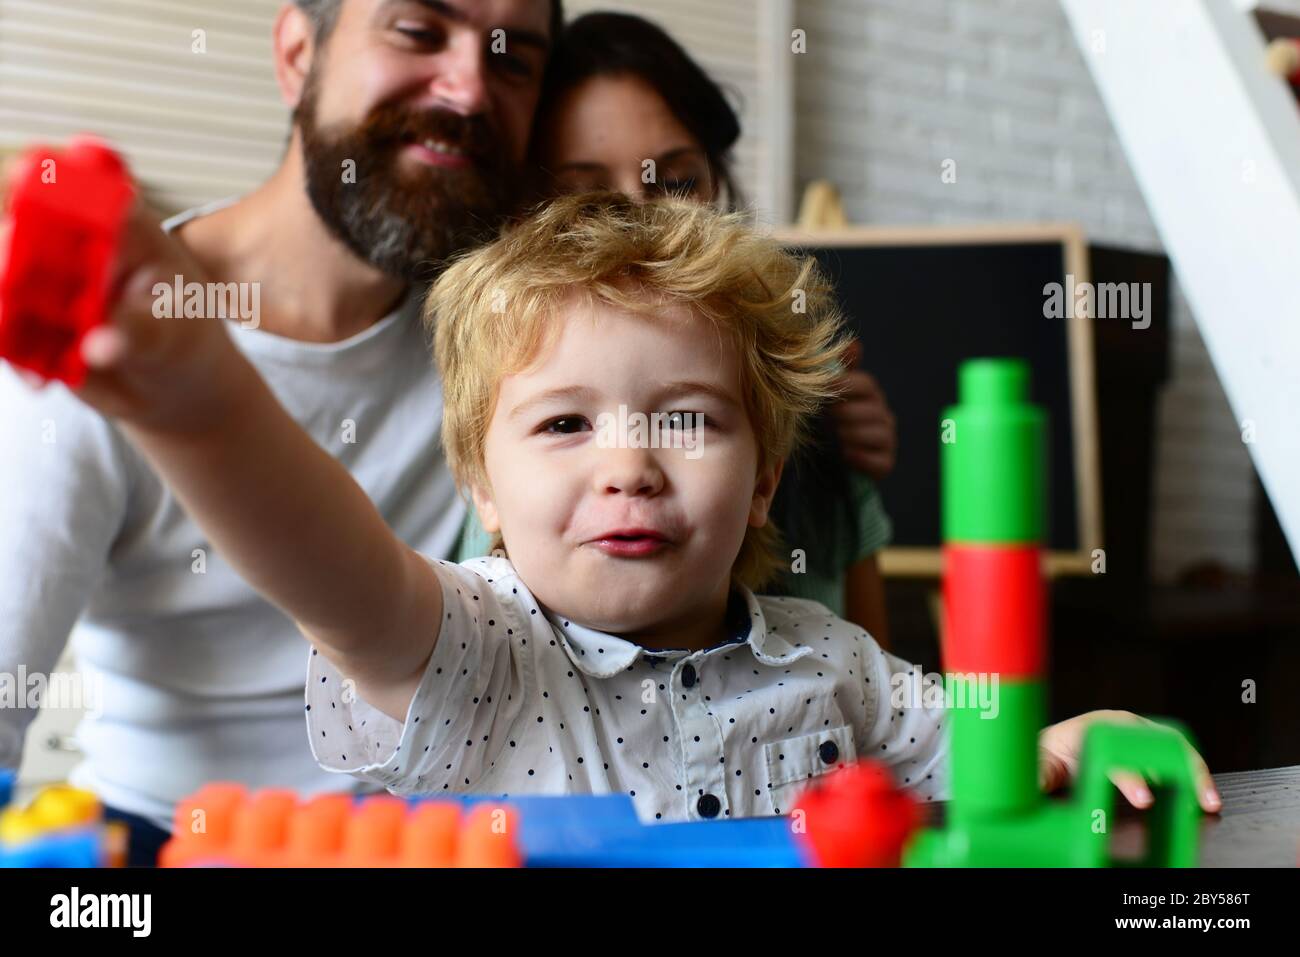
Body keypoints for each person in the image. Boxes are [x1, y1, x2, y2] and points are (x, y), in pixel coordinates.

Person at [54, 192, 1220, 821]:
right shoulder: (481, 651)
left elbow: (992, 761)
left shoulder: (838, 668)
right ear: (481, 484)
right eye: (564, 424)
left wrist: (1080, 737)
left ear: (764, 475)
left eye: (688, 419)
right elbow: (329, 565)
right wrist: (197, 399)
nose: (630, 466)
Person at [0, 0, 561, 863]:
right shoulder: (110, 331)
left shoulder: (512, 340)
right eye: (417, 31)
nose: (469, 88)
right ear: (299, 53)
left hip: (438, 839)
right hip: (167, 842)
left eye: (513, 59)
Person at [454, 12, 898, 640]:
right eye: (587, 200)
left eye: (677, 180)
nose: (637, 221)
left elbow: (884, 706)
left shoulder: (821, 448)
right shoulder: (515, 479)